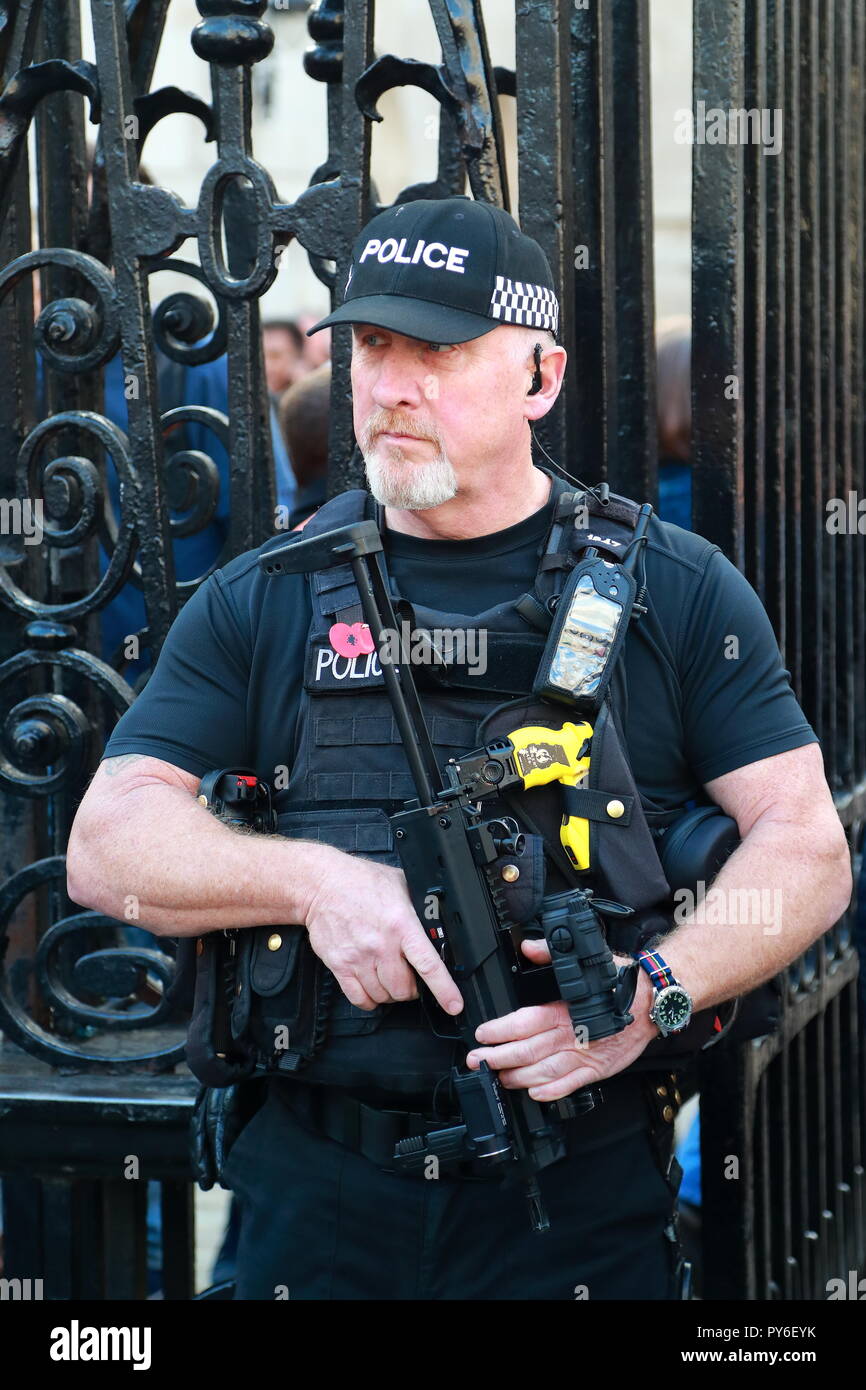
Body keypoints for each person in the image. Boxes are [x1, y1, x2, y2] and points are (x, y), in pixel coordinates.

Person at [65, 194, 851, 1302]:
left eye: (434, 350)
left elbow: (806, 849)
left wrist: (654, 993)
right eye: (372, 345)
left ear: (539, 376)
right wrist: (312, 882)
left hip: (575, 1196)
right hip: (316, 1188)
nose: (389, 385)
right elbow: (106, 847)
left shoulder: (672, 589)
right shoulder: (266, 595)